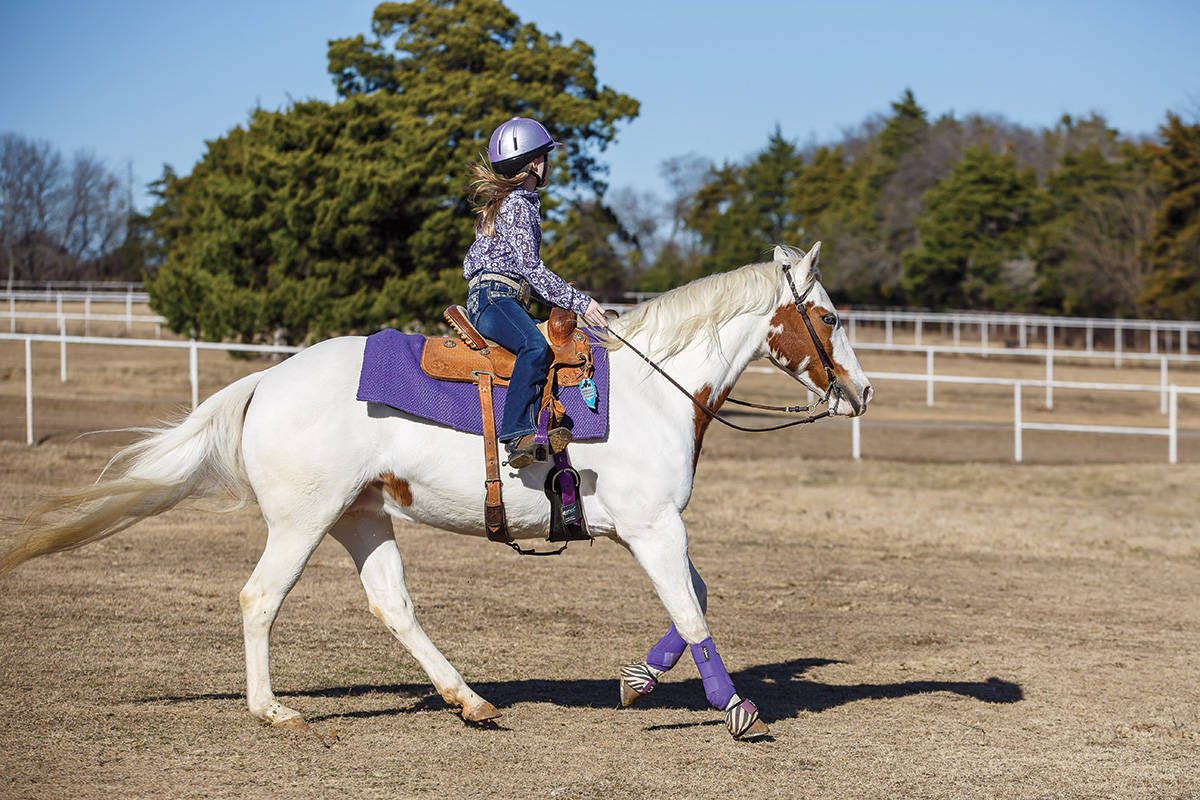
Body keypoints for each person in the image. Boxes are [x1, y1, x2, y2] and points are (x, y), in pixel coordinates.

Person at [463, 117, 608, 469]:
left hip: (501, 296)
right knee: (534, 346)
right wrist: (580, 302)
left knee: (544, 344)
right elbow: (531, 268)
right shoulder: (518, 205)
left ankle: (544, 421)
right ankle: (516, 433)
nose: (547, 164)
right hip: (494, 298)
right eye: (543, 157)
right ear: (530, 164)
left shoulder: (518, 202)